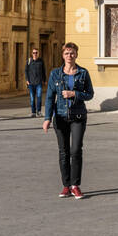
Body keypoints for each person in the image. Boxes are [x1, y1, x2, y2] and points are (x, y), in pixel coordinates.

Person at [43, 42, 95, 199]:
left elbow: (90, 94)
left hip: (78, 117)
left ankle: (75, 185)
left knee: (76, 150)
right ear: (62, 55)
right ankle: (66, 186)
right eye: (66, 53)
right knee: (63, 151)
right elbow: (50, 97)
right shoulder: (55, 74)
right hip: (60, 116)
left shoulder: (83, 73)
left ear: (76, 55)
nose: (69, 56)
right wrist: (47, 118)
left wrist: (75, 94)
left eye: (72, 53)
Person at [25, 47, 47, 117]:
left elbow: (44, 71)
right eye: (34, 53)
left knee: (39, 97)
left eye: (36, 53)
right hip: (31, 83)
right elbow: (26, 71)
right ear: (32, 54)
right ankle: (33, 112)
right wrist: (27, 80)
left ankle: (39, 111)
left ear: (38, 54)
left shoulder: (41, 61)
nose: (35, 54)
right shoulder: (29, 61)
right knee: (32, 98)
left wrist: (45, 80)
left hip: (39, 83)